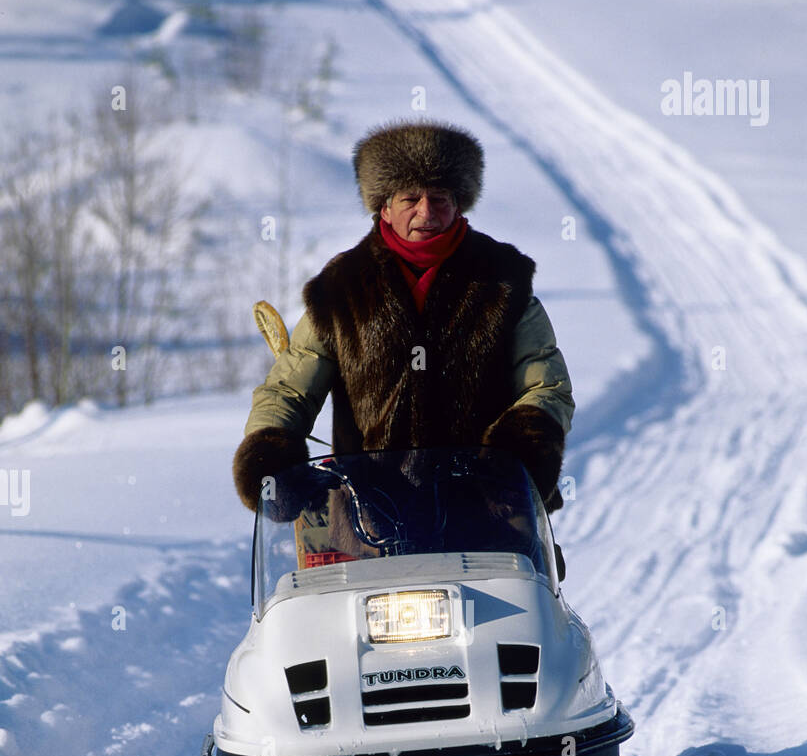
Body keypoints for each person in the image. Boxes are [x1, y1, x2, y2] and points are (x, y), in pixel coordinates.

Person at [233, 119, 574, 572]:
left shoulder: (502, 284)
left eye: (440, 198)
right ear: (385, 207)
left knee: (517, 639)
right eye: (411, 199)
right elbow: (289, 391)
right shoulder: (341, 291)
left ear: (459, 204)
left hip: (490, 521)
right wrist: (271, 455)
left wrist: (518, 455)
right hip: (365, 530)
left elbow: (546, 386)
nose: (426, 212)